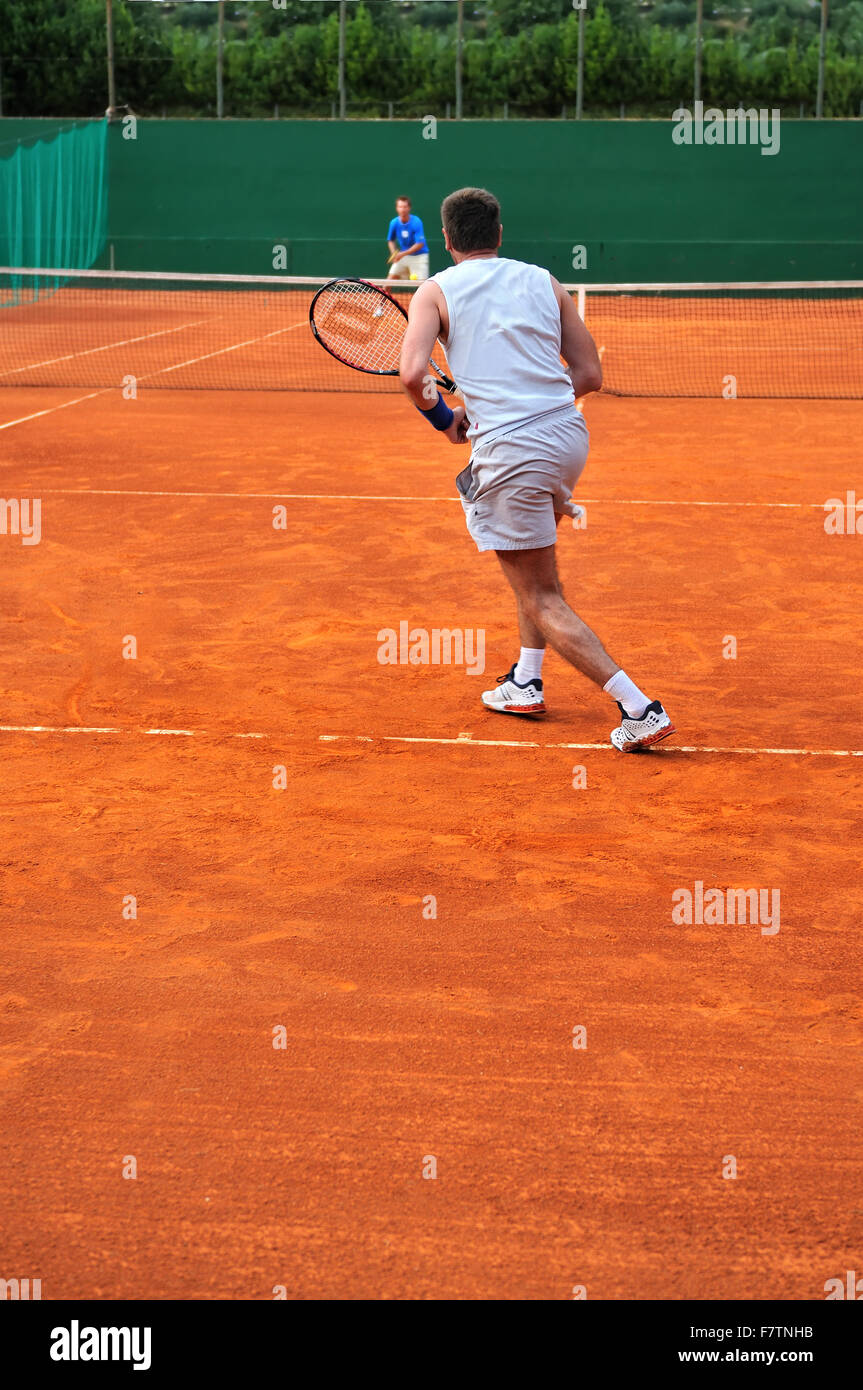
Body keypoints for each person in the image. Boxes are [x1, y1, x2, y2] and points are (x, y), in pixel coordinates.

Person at [398, 186, 674, 752]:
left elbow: (411, 374)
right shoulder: (543, 279)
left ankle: (639, 707)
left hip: (511, 451)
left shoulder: (434, 289)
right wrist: (517, 405)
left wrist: (447, 420)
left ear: (447, 240)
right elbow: (589, 374)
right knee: (534, 571)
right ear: (499, 235)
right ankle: (525, 680)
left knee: (541, 594)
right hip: (566, 437)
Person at [386, 196, 430, 282]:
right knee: (387, 282)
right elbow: (391, 240)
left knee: (422, 286)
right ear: (397, 208)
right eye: (400, 207)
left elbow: (420, 244)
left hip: (419, 257)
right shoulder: (394, 223)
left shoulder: (416, 222)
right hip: (403, 257)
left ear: (409, 208)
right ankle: (384, 296)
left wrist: (401, 254)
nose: (402, 209)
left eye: (405, 207)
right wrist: (393, 253)